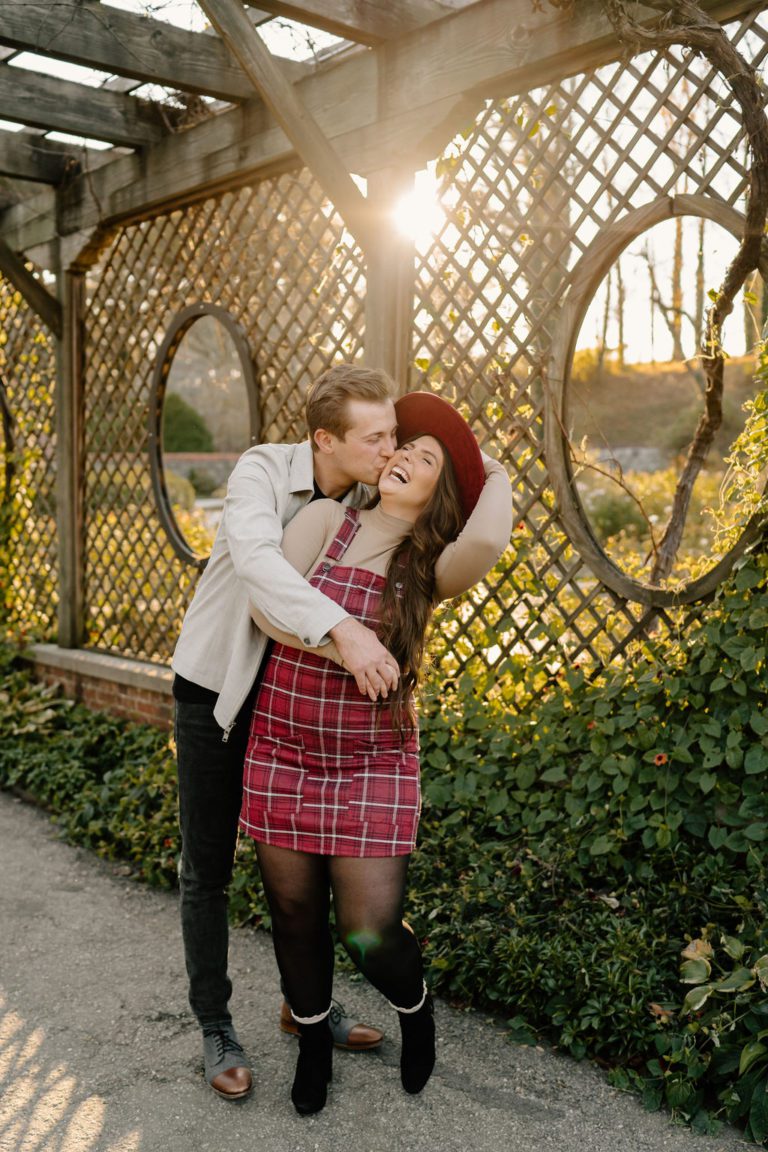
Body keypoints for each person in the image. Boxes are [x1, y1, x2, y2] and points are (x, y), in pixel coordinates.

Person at [239, 391, 512, 1115]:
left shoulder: (431, 567)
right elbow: (268, 609)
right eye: (401, 447)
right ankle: (311, 1042)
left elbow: (485, 542)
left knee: (370, 931)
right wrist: (342, 640)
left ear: (441, 490)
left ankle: (414, 1009)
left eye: (424, 459)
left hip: (372, 760)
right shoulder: (327, 520)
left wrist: (494, 470)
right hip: (283, 747)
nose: (402, 458)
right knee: (294, 913)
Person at [172, 364, 403, 1100]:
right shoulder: (261, 471)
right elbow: (259, 561)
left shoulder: (373, 497)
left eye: (394, 434)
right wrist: (346, 634)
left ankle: (307, 1009)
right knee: (208, 868)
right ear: (323, 440)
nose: (389, 449)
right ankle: (215, 1023)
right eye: (375, 437)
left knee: (306, 875)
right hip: (216, 691)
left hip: (296, 710)